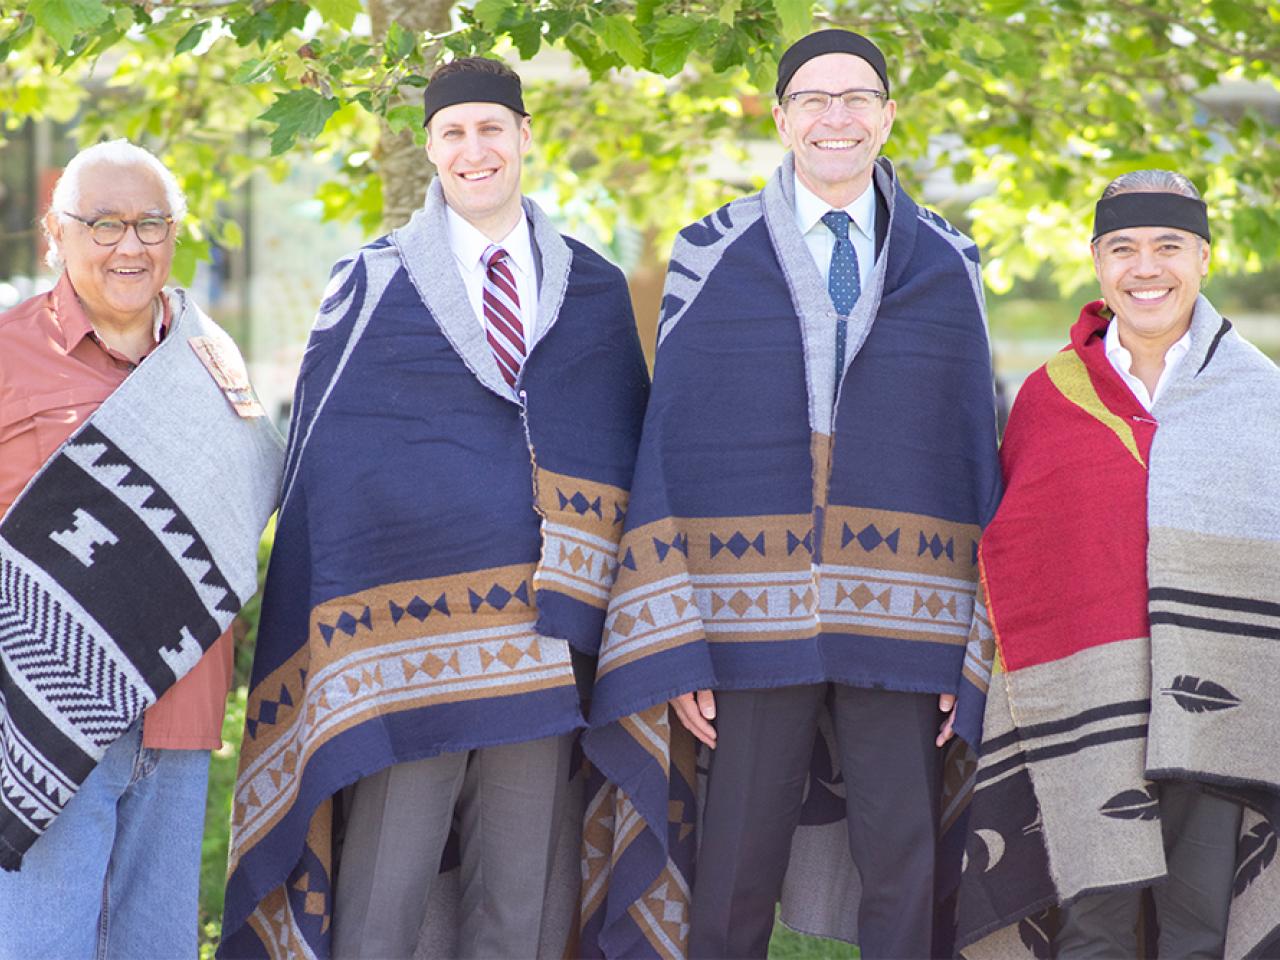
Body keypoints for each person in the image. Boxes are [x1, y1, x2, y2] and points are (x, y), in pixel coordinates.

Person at [580, 28, 1001, 959]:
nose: (836, 118)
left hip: (908, 611)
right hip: (744, 612)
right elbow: (673, 444)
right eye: (813, 99)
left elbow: (974, 444)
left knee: (905, 859)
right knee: (734, 864)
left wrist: (973, 639)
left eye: (857, 99)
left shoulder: (950, 260)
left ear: (889, 116)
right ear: (781, 118)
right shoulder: (708, 251)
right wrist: (674, 633)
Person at [218, 57, 649, 959]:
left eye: (492, 127)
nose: (475, 148)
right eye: (454, 132)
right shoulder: (370, 282)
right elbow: (330, 461)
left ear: (525, 137)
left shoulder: (597, 288)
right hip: (405, 643)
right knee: (389, 887)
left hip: (546, 635)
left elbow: (623, 452)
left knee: (525, 892)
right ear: (429, 149)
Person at [955, 171, 1280, 958]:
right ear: (1098, 263)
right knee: (1092, 926)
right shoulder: (1049, 396)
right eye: (1124, 248)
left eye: (1169, 246)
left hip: (1216, 701)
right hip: (1086, 698)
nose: (1147, 268)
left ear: (1204, 257)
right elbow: (1015, 548)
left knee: (1199, 923)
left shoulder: (1260, 397)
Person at [0, 139, 282, 958]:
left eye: (151, 224)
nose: (131, 246)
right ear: (57, 232)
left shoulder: (210, 356)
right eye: (105, 225)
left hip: (181, 712)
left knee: (152, 948)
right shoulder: (11, 354)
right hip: (41, 716)